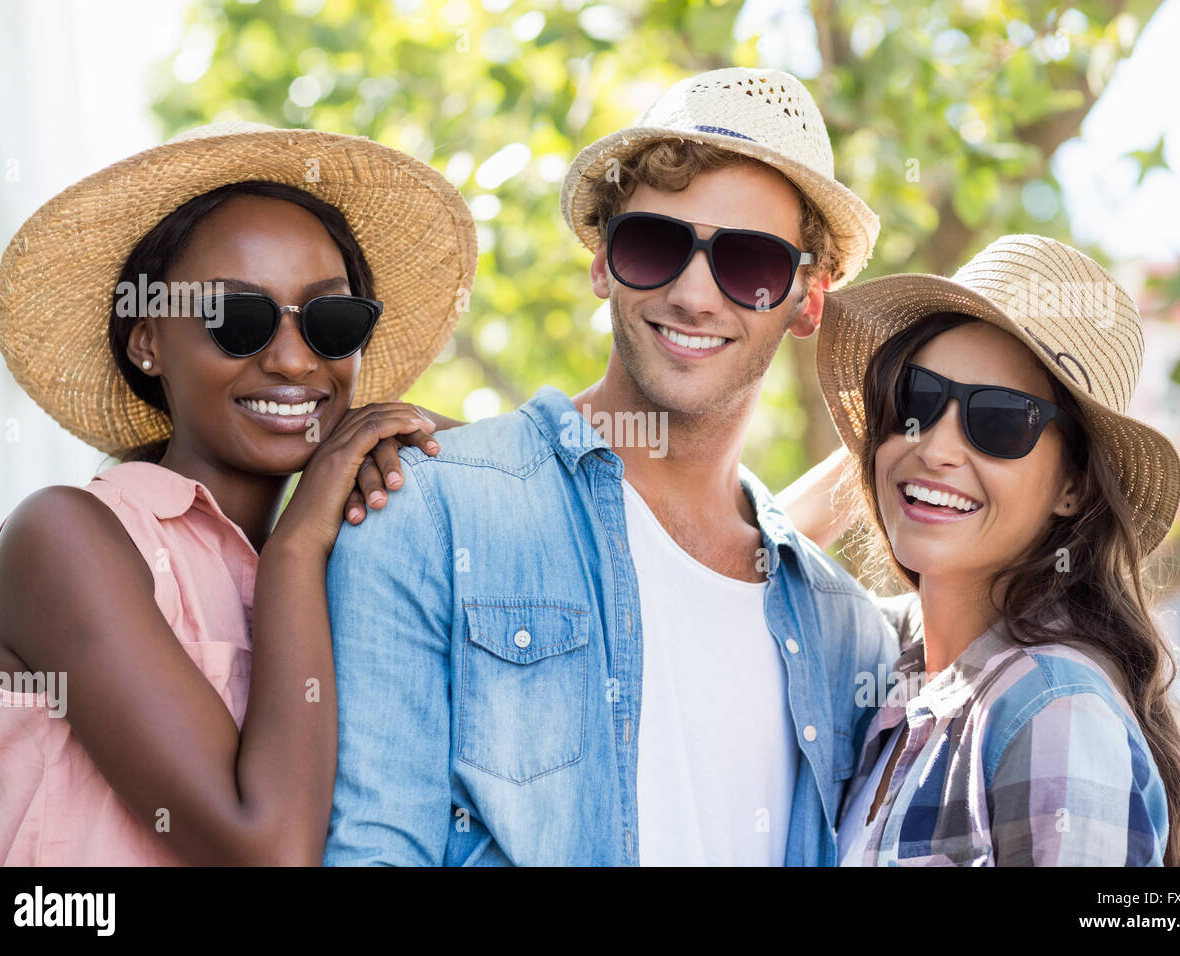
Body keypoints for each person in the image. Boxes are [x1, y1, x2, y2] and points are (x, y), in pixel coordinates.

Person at [323, 66, 897, 866]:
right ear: (602, 262)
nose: (695, 295)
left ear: (807, 301)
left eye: (751, 264)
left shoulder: (850, 634)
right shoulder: (428, 511)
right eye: (655, 243)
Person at [0, 122, 477, 865]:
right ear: (147, 340)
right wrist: (296, 547)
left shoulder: (362, 553)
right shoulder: (65, 537)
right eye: (236, 318)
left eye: (331, 321)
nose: (294, 360)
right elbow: (267, 848)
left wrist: (449, 465)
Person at [814, 234, 1180, 865]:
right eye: (916, 400)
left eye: (1000, 421)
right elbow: (742, 568)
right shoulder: (898, 676)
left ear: (1074, 486)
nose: (936, 447)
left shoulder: (1054, 709)